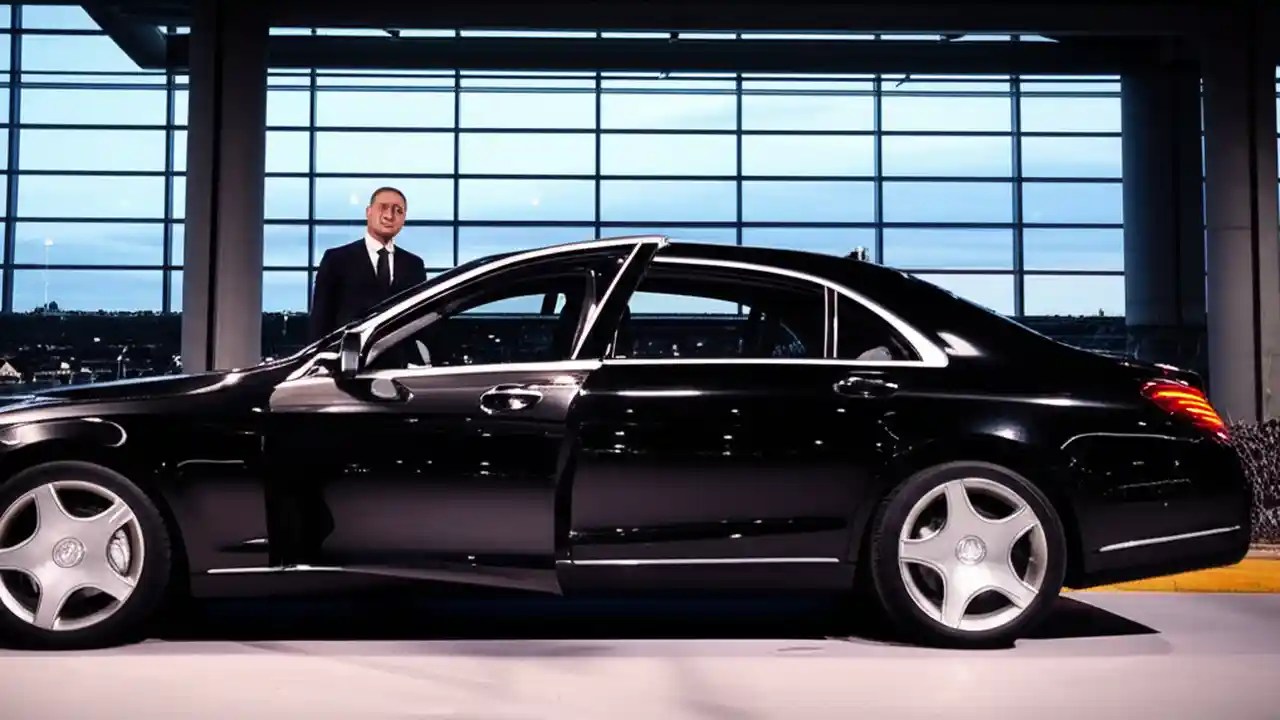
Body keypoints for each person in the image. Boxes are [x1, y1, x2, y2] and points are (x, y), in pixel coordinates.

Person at [308, 186, 429, 341]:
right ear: (368, 212)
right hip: (347, 360)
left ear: (404, 218)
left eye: (398, 210)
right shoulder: (336, 259)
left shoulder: (414, 265)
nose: (389, 216)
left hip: (400, 362)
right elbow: (320, 320)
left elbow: (421, 321)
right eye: (383, 208)